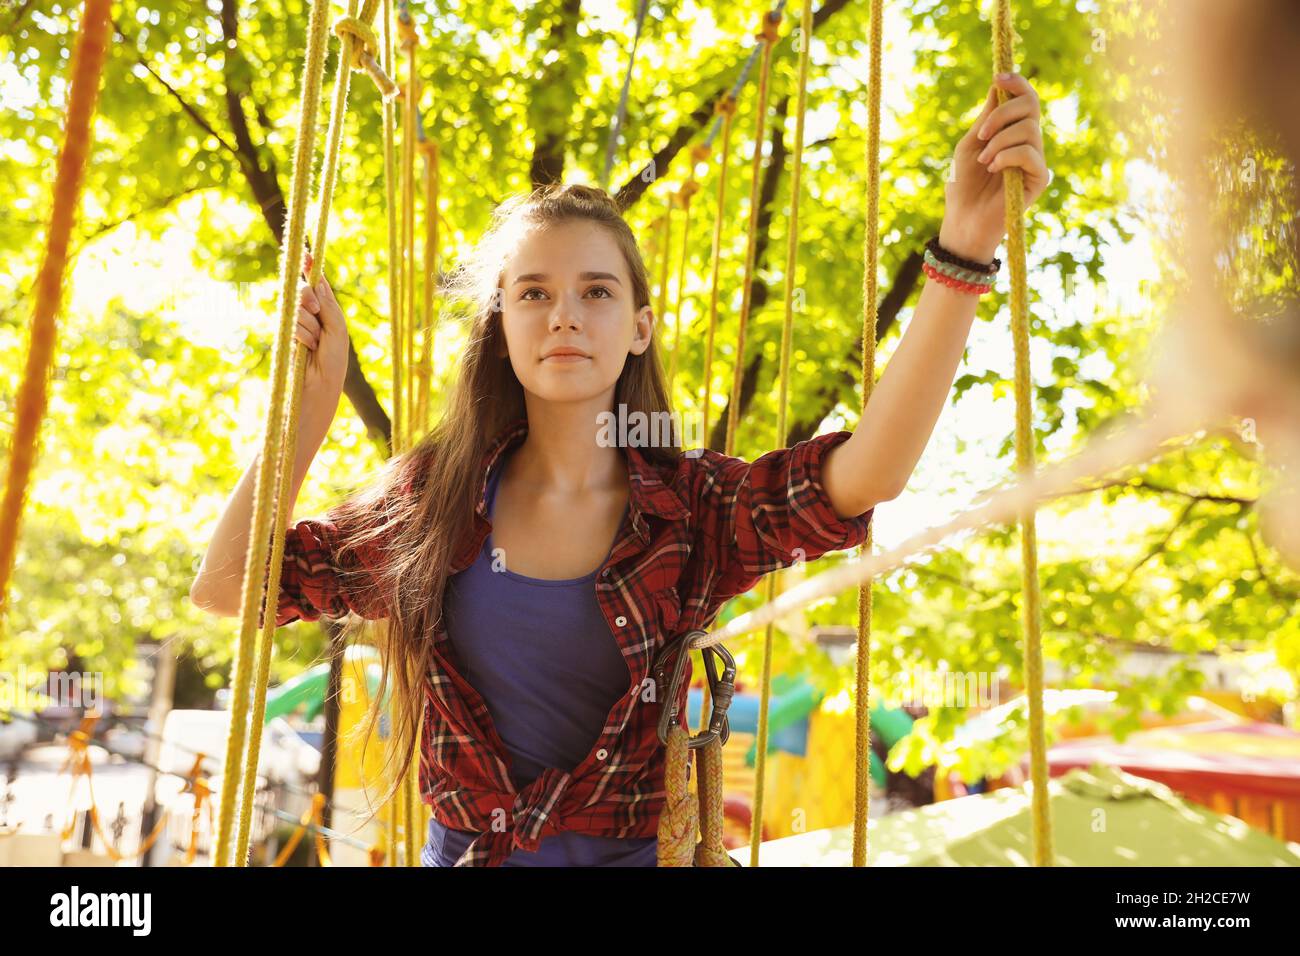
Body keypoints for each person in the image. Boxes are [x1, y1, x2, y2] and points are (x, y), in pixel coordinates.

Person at [189, 74, 1048, 866]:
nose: (564, 313)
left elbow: (865, 475)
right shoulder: (432, 502)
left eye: (596, 291)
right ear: (503, 326)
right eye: (533, 292)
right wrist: (308, 411)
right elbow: (230, 587)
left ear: (639, 326)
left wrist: (962, 249)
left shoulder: (694, 507)